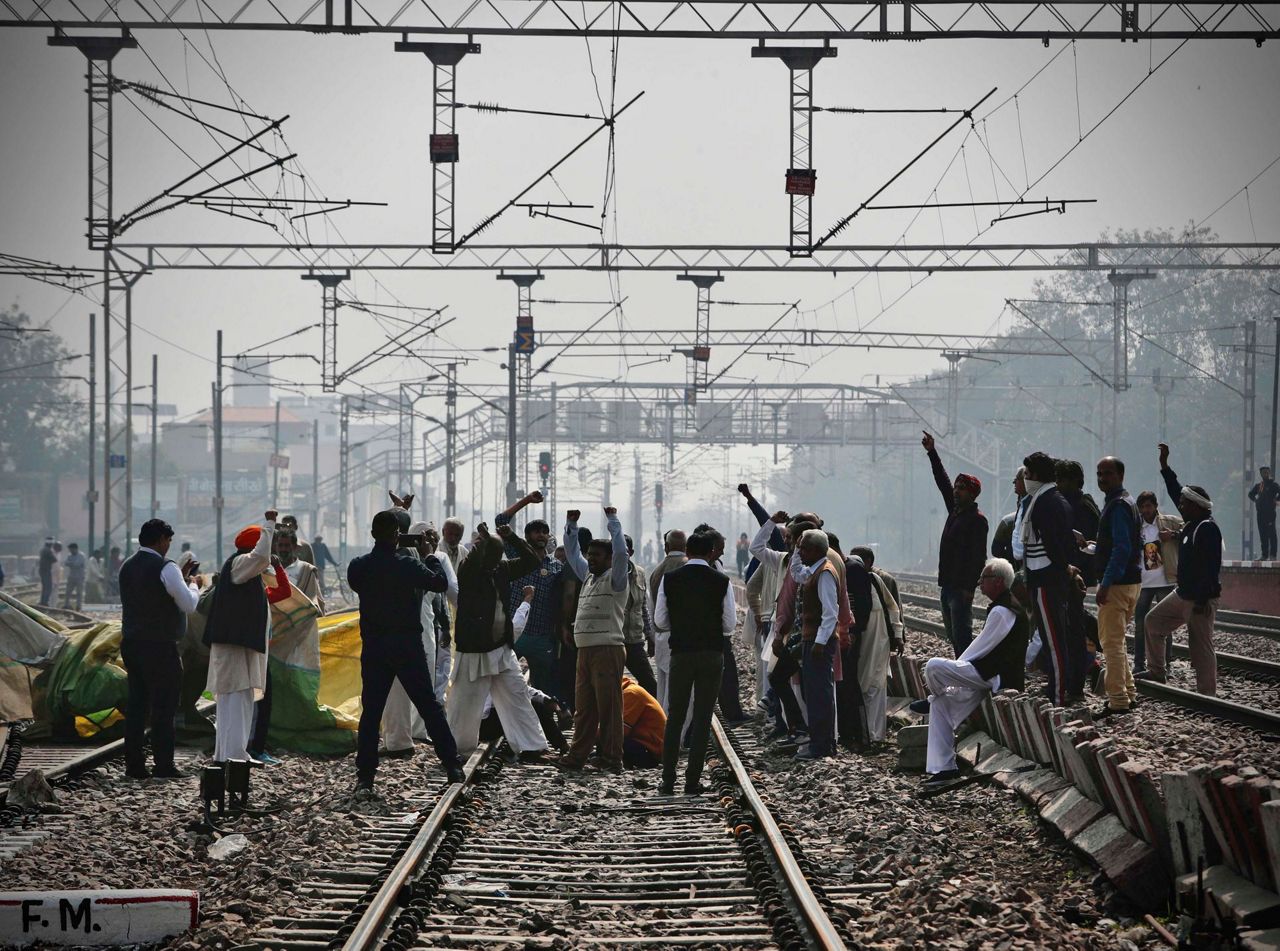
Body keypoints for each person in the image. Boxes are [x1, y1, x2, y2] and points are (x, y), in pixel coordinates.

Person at [348, 509, 465, 792]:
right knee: (428, 706)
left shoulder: (359, 566)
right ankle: (452, 766)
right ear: (398, 536)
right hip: (407, 647)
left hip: (375, 648)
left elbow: (359, 584)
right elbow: (439, 582)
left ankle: (365, 777)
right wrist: (428, 554)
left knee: (372, 712)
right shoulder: (407, 565)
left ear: (373, 534)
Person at [918, 558, 1028, 783]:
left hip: (995, 677)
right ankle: (944, 768)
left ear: (998, 582)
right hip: (985, 676)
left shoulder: (1003, 610)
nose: (979, 584)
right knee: (940, 705)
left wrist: (954, 673)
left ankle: (934, 692)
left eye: (983, 579)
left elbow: (980, 648)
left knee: (933, 666)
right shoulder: (1004, 606)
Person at [447, 518, 549, 758]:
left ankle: (531, 746)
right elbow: (478, 556)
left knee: (516, 695)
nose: (494, 560)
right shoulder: (469, 570)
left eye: (497, 554)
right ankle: (457, 748)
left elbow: (532, 561)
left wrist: (511, 537)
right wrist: (486, 539)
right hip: (474, 651)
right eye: (490, 553)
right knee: (465, 703)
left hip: (501, 649)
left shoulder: (501, 569)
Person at [204, 513, 293, 764]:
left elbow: (279, 588)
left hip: (239, 648)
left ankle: (230, 754)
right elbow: (261, 556)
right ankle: (233, 755)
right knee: (235, 700)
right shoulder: (240, 563)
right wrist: (270, 524)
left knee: (238, 701)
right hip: (234, 648)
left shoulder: (248, 575)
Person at [118, 518, 202, 779]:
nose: (168, 546)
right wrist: (193, 584)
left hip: (132, 643)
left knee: (138, 705)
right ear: (161, 540)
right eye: (168, 540)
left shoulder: (127, 566)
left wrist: (181, 577)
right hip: (160, 646)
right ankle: (164, 765)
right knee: (164, 707)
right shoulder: (167, 567)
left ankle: (135, 766)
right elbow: (188, 604)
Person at [1137, 444, 1223, 695]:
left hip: (1199, 598)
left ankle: (1207, 694)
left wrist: (1203, 599)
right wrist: (1165, 467)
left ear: (1196, 505)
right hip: (1182, 593)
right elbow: (1177, 492)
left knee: (1201, 645)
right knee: (1153, 622)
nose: (1180, 505)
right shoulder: (1191, 523)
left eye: (1185, 503)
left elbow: (1211, 567)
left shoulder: (1206, 528)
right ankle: (1156, 671)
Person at [655, 530, 734, 794]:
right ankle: (691, 781)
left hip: (680, 654)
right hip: (711, 654)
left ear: (687, 552)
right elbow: (729, 626)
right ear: (712, 552)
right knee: (702, 717)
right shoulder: (722, 581)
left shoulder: (670, 579)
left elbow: (660, 621)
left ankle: (667, 780)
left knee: (675, 715)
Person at [558, 507, 631, 774]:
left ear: (610, 559)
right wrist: (571, 525)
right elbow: (571, 552)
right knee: (584, 707)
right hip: (585, 650)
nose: (591, 559)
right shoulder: (587, 577)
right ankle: (577, 757)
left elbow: (622, 552)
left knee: (609, 706)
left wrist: (613, 521)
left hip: (607, 649)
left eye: (597, 556)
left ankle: (612, 759)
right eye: (590, 555)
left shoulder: (617, 578)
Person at [248, 526, 325, 764]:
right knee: (264, 691)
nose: (282, 550)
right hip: (268, 637)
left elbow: (314, 603)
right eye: (278, 546)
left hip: (294, 639)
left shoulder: (305, 570)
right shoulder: (266, 568)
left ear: (295, 547)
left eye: (286, 546)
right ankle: (261, 738)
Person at [383, 519, 457, 754]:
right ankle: (401, 738)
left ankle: (415, 733)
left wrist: (445, 625)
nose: (431, 541)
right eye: (425, 537)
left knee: (423, 684)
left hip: (424, 628)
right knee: (403, 687)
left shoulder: (430, 559)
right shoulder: (410, 562)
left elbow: (441, 597)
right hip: (407, 631)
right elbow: (440, 584)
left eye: (434, 537)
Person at [920, 432, 988, 656]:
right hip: (947, 585)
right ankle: (962, 668)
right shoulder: (955, 512)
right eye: (956, 487)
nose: (956, 491)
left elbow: (979, 557)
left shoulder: (977, 520)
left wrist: (969, 588)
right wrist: (932, 452)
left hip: (960, 589)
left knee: (962, 635)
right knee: (952, 634)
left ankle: (968, 674)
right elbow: (942, 481)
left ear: (972, 493)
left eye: (961, 488)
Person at [1020, 451, 1078, 707]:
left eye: (1029, 473)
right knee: (1052, 638)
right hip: (1043, 578)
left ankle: (1059, 696)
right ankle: (1056, 689)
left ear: (1039, 475)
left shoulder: (1047, 502)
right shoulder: (1047, 499)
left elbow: (1054, 545)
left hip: (1046, 579)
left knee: (1054, 641)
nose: (1026, 478)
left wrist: (1063, 568)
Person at [495, 491, 562, 696]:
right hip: (516, 633)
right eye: (535, 532)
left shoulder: (557, 566)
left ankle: (543, 723)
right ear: (527, 537)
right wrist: (527, 500)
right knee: (504, 680)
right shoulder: (517, 556)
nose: (540, 535)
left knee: (544, 686)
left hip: (542, 636)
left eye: (544, 532)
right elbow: (501, 520)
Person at [785, 529, 844, 760]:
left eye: (805, 548)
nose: (800, 551)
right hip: (813, 639)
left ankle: (821, 746)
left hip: (819, 641)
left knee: (819, 693)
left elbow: (831, 612)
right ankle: (821, 742)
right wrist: (797, 552)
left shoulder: (825, 573)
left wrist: (820, 642)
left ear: (817, 550)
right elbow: (797, 573)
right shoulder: (814, 569)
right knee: (814, 692)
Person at [1092, 457, 1142, 718]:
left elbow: (1122, 548)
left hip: (1118, 585)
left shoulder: (1118, 505)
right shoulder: (1126, 502)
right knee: (1118, 641)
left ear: (1120, 475)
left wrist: (1106, 583)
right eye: (1099, 474)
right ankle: (1128, 693)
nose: (1102, 478)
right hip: (1131, 582)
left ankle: (1117, 701)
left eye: (1108, 473)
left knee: (1110, 643)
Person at [1057, 459, 1101, 698]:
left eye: (1062, 479)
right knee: (1071, 628)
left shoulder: (1082, 506)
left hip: (1076, 576)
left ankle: (1075, 686)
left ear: (1075, 481)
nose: (1059, 484)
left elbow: (1085, 545)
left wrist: (1073, 570)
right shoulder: (1073, 503)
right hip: (1071, 573)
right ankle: (1083, 672)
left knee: (1073, 631)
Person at [1133, 490, 1181, 674]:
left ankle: (1164, 664)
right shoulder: (1135, 526)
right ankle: (1139, 663)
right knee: (1139, 625)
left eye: (1149, 506)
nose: (1146, 510)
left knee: (1164, 626)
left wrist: (1174, 535)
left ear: (1155, 506)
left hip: (1165, 581)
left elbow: (1190, 529)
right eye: (1142, 507)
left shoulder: (1169, 522)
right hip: (1142, 583)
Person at [648, 530, 687, 709]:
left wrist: (652, 635)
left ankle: (662, 727)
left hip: (661, 634)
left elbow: (651, 608)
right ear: (686, 546)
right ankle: (675, 733)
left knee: (663, 686)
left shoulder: (656, 571)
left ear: (666, 547)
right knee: (680, 690)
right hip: (681, 637)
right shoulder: (688, 567)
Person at [621, 534, 659, 697]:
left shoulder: (640, 573)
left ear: (631, 552)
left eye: (624, 550)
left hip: (635, 639)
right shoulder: (606, 574)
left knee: (649, 682)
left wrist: (650, 637)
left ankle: (649, 718)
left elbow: (643, 607)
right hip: (614, 640)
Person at [621, 675, 666, 768]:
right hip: (647, 743)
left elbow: (620, 731)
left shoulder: (631, 693)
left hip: (651, 752)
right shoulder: (629, 690)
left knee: (610, 739)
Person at [1248, 466, 1279, 560]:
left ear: (1269, 473)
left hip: (1270, 514)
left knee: (1272, 534)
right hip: (1260, 514)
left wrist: (1276, 500)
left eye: (1267, 472)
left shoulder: (1274, 485)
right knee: (1263, 535)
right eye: (1263, 472)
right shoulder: (1259, 486)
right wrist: (1256, 500)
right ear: (1261, 474)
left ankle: (1273, 555)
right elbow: (1250, 494)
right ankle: (1264, 555)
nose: (1265, 474)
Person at [61, 543, 87, 611]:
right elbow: (66, 562)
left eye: (71, 549)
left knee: (79, 593)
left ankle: (78, 606)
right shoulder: (69, 555)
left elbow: (77, 564)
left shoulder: (81, 556)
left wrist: (70, 563)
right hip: (71, 576)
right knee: (68, 592)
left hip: (79, 577)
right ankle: (66, 605)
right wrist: (71, 563)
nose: (70, 551)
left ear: (75, 549)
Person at [37, 538, 56, 607]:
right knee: (48, 587)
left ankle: (42, 601)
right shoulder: (48, 550)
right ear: (50, 544)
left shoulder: (43, 549)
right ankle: (45, 602)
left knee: (44, 587)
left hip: (42, 570)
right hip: (46, 570)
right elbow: (54, 559)